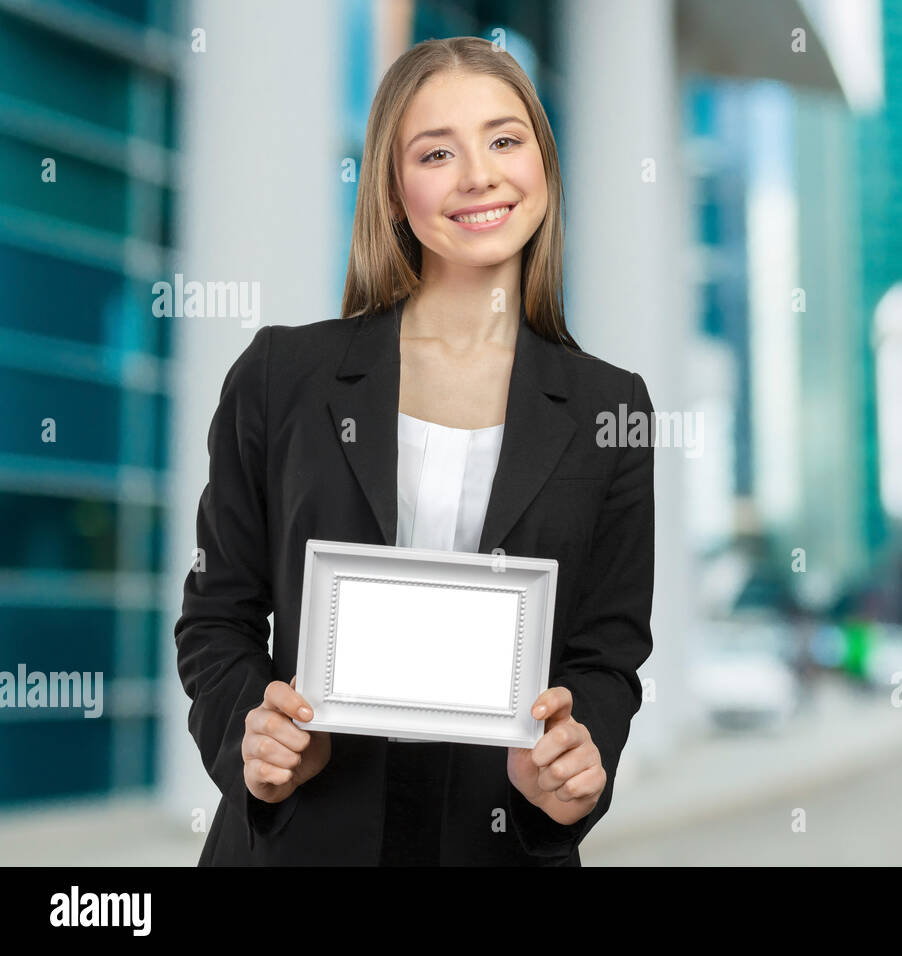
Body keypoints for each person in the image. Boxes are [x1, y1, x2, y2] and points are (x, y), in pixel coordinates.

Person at [174, 36, 656, 866]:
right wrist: (257, 734)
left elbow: (606, 654)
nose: (479, 174)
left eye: (505, 140)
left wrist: (581, 761)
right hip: (300, 841)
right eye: (438, 152)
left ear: (543, 164)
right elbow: (217, 618)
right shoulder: (282, 377)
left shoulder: (613, 408)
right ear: (395, 192)